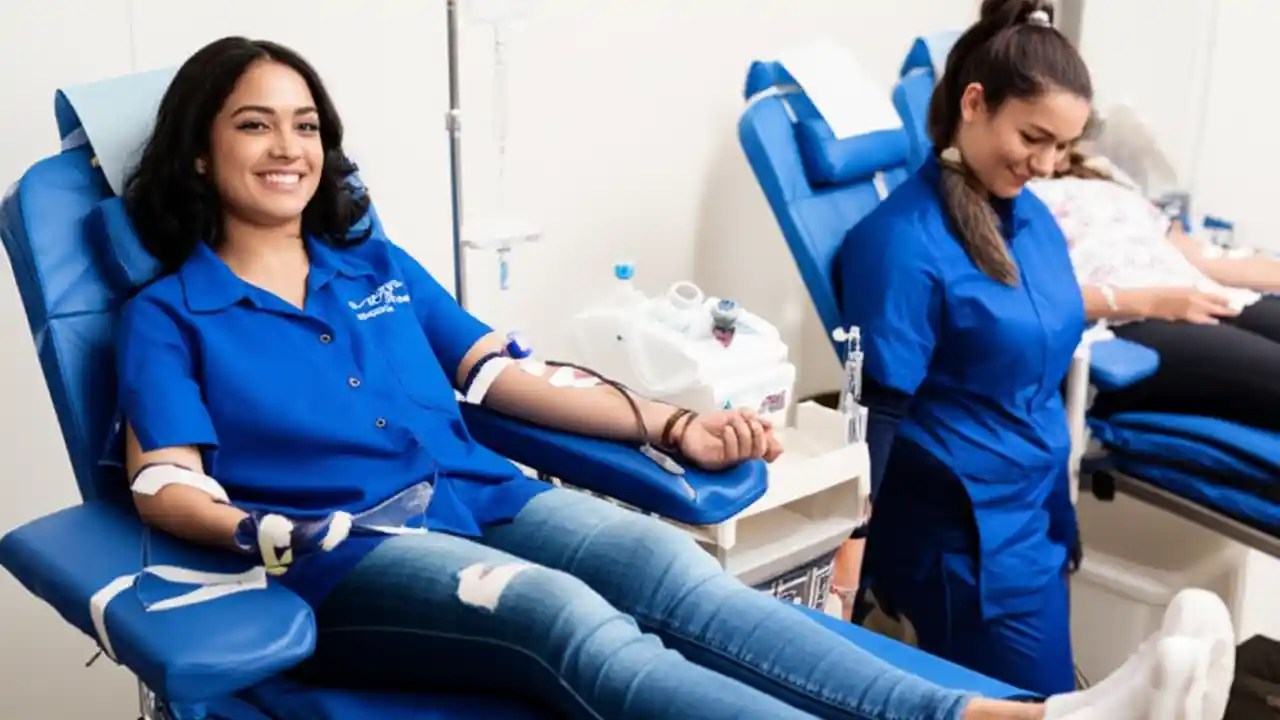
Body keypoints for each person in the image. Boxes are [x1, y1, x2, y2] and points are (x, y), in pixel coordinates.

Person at [113, 32, 1228, 720]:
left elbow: (500, 374)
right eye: (253, 124)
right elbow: (166, 486)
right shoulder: (168, 315)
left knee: (676, 574)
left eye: (305, 123)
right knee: (572, 626)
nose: (287, 146)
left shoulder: (375, 266)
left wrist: (667, 425)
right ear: (199, 152)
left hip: (487, 499)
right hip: (351, 557)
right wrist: (272, 534)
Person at [835, 0, 1101, 697]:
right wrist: (849, 561)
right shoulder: (901, 243)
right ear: (975, 103)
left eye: (1063, 146)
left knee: (1053, 701)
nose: (1047, 164)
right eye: (1034, 137)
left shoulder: (1033, 220)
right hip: (965, 543)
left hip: (1037, 515)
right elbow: (876, 415)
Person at [1029, 147, 1280, 431]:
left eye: (1063, 143)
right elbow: (1030, 295)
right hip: (1129, 314)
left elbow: (1198, 258)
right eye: (1035, 137)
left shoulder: (1110, 185)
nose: (1051, 153)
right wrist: (1152, 302)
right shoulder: (1012, 199)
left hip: (1199, 289)